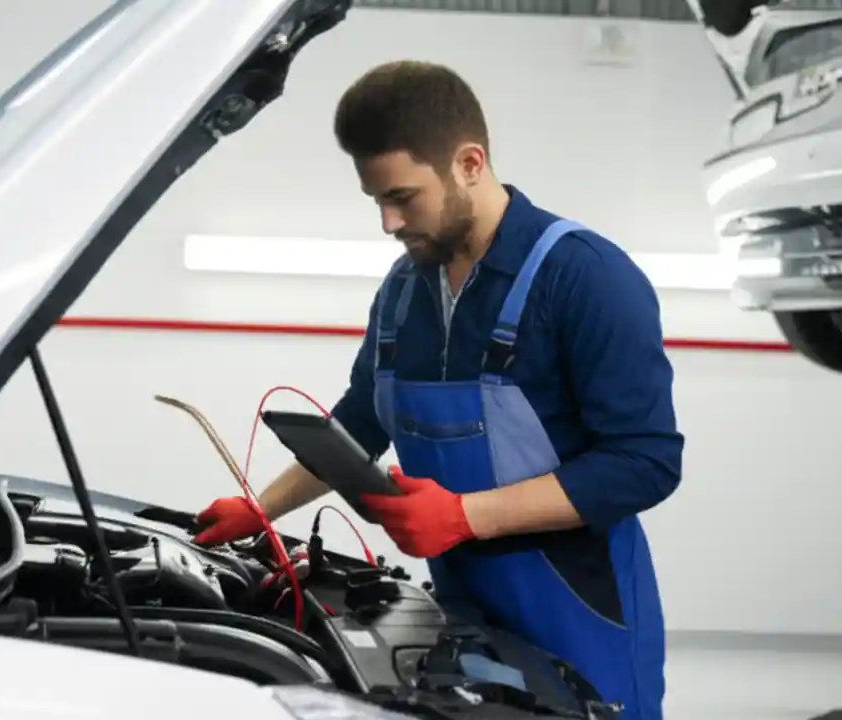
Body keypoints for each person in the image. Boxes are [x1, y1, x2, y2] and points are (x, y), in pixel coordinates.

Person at [192, 60, 683, 720]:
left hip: (582, 611)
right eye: (377, 201)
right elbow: (363, 421)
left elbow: (645, 463)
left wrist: (462, 517)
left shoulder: (587, 279)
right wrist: (262, 507)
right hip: (460, 608)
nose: (389, 224)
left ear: (470, 163)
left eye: (403, 197)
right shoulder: (403, 291)